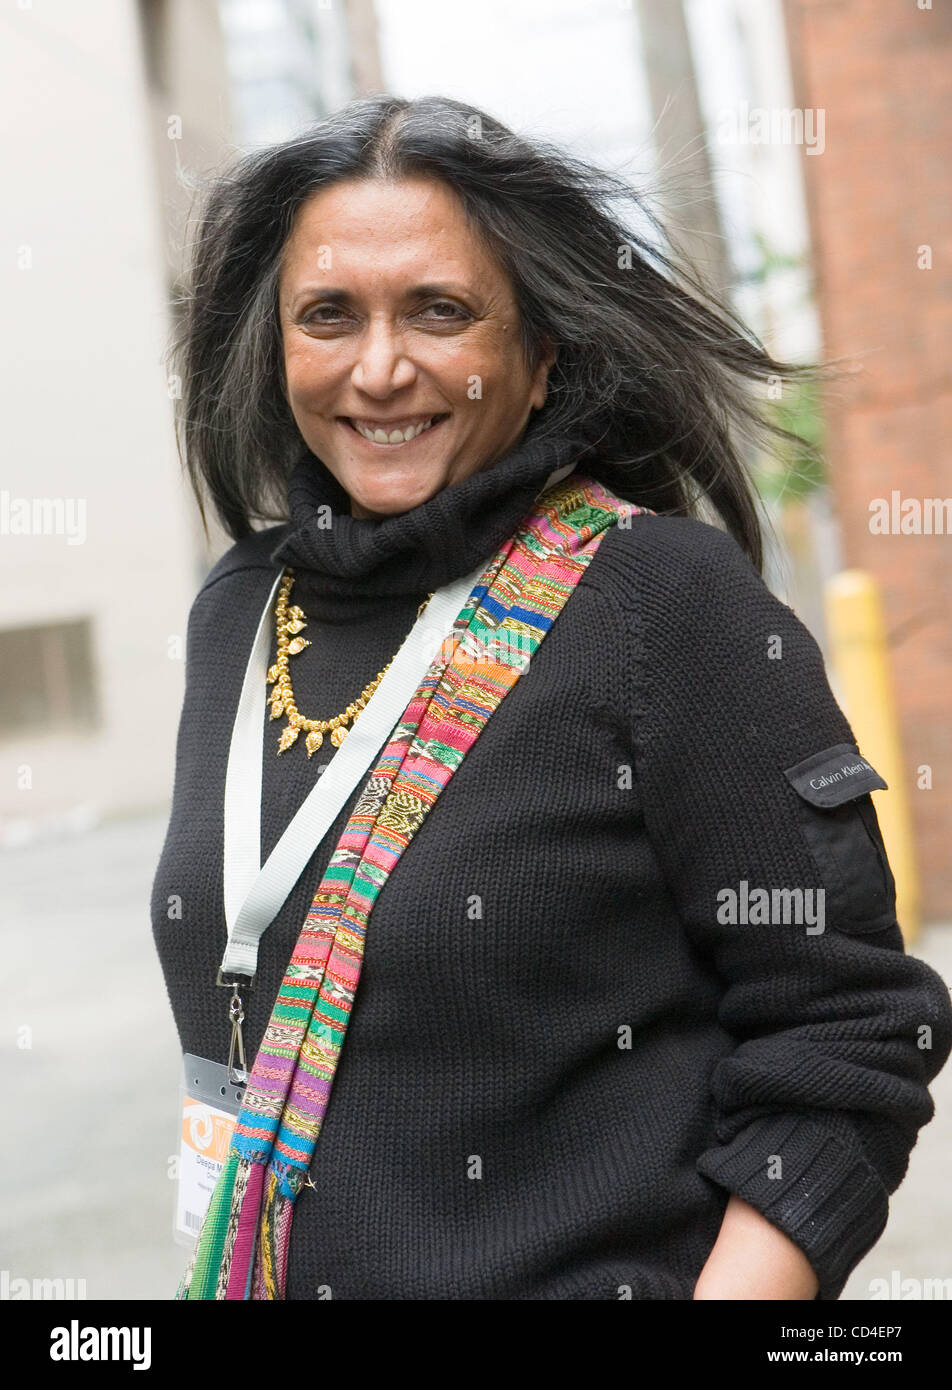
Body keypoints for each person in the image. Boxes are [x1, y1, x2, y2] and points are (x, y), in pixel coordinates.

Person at [152, 93, 952, 1301]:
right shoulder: (240, 609)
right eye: (329, 315)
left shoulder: (657, 603)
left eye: (440, 311)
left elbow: (843, 1031)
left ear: (541, 359)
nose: (379, 368)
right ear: (276, 349)